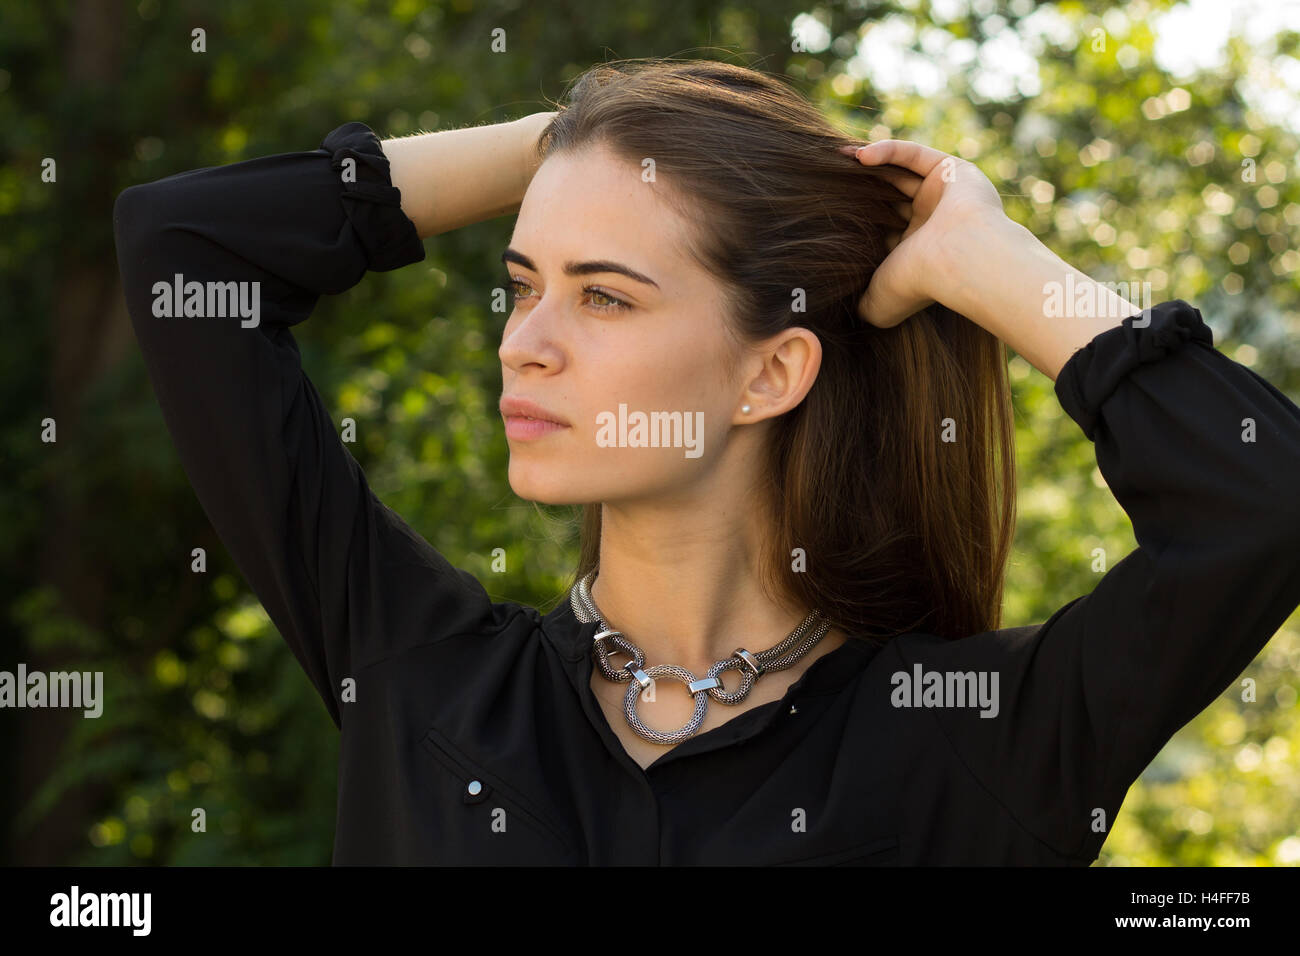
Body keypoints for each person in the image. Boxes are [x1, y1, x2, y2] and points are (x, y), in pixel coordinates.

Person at [112, 57, 1300, 865]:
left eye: (605, 297)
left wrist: (984, 255)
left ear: (768, 372)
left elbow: (1262, 501)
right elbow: (182, 249)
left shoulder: (976, 746)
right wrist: (569, 144)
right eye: (523, 286)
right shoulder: (413, 673)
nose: (524, 345)